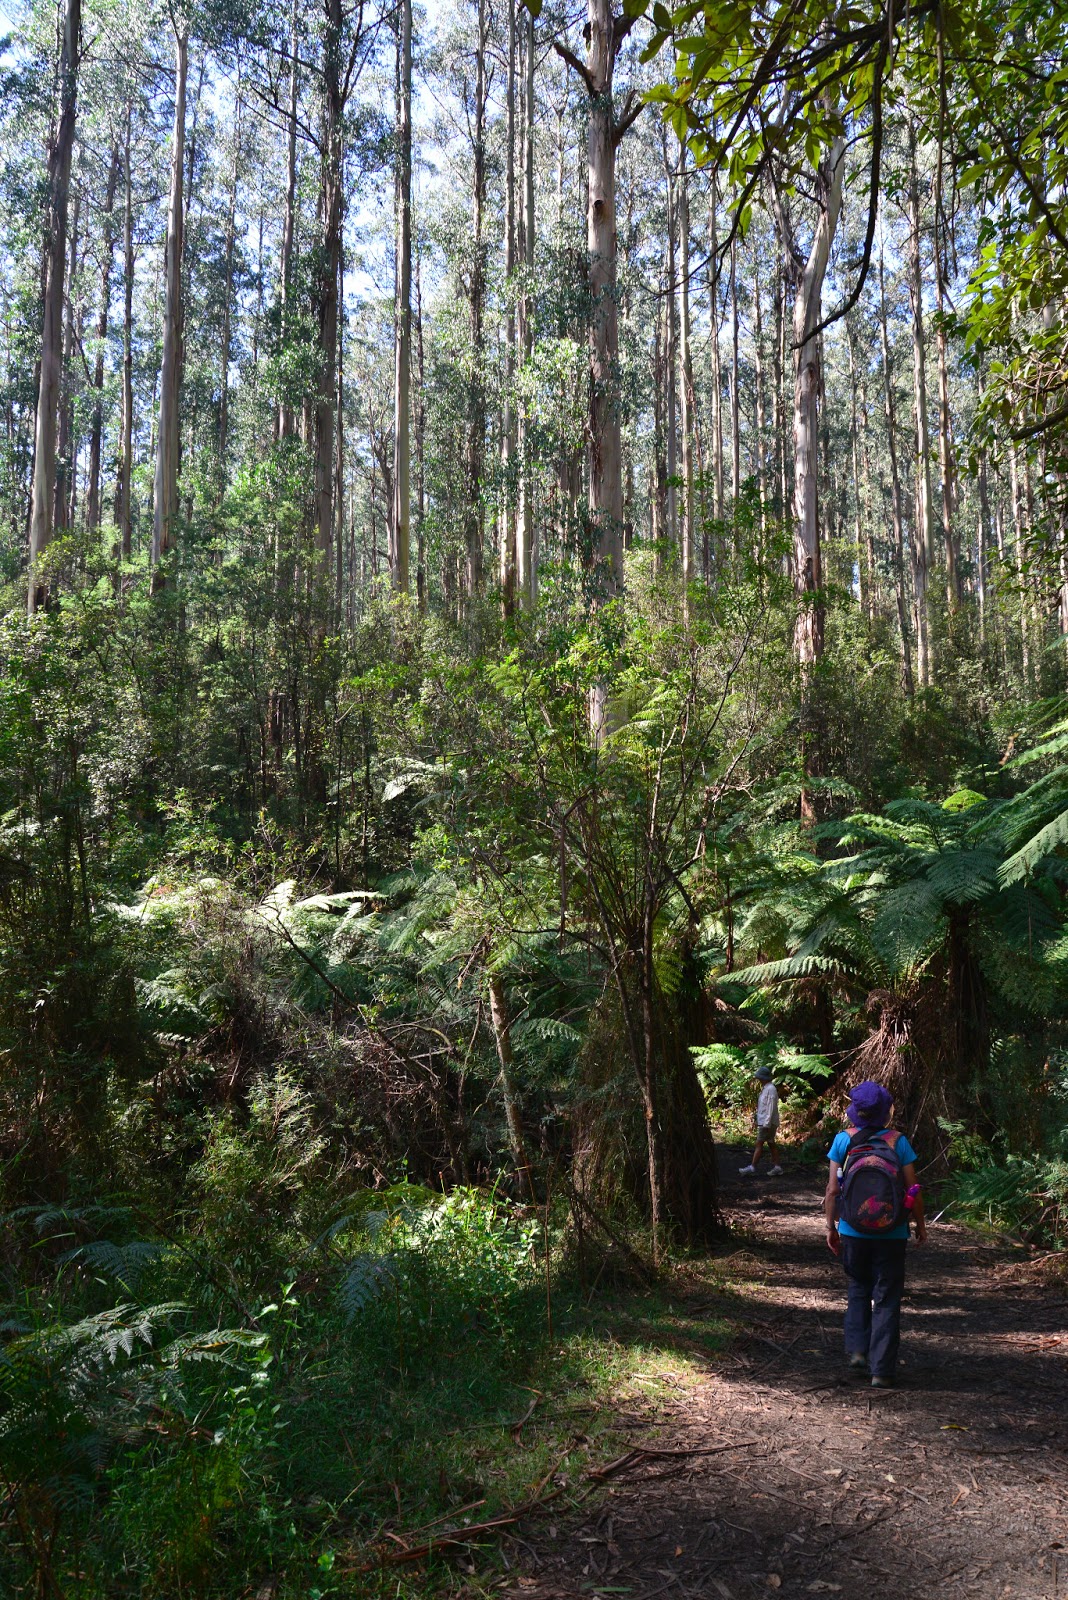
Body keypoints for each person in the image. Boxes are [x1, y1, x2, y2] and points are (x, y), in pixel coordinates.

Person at [824, 1080, 927, 1389]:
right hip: (893, 1232)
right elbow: (912, 1189)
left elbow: (832, 1190)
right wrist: (920, 1225)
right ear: (885, 1112)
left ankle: (857, 1352)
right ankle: (881, 1370)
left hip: (853, 1231)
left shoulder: (843, 1140)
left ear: (855, 1112)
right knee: (886, 1298)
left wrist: (831, 1227)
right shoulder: (899, 1142)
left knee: (857, 1286)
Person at [739, 1064, 783, 1176]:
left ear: (764, 1078)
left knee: (759, 1143)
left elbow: (771, 1108)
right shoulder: (766, 1089)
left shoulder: (771, 1089)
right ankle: (777, 1167)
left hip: (767, 1123)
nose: (758, 1079)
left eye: (759, 1077)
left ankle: (752, 1167)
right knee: (771, 1143)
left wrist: (767, 1124)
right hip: (765, 1122)